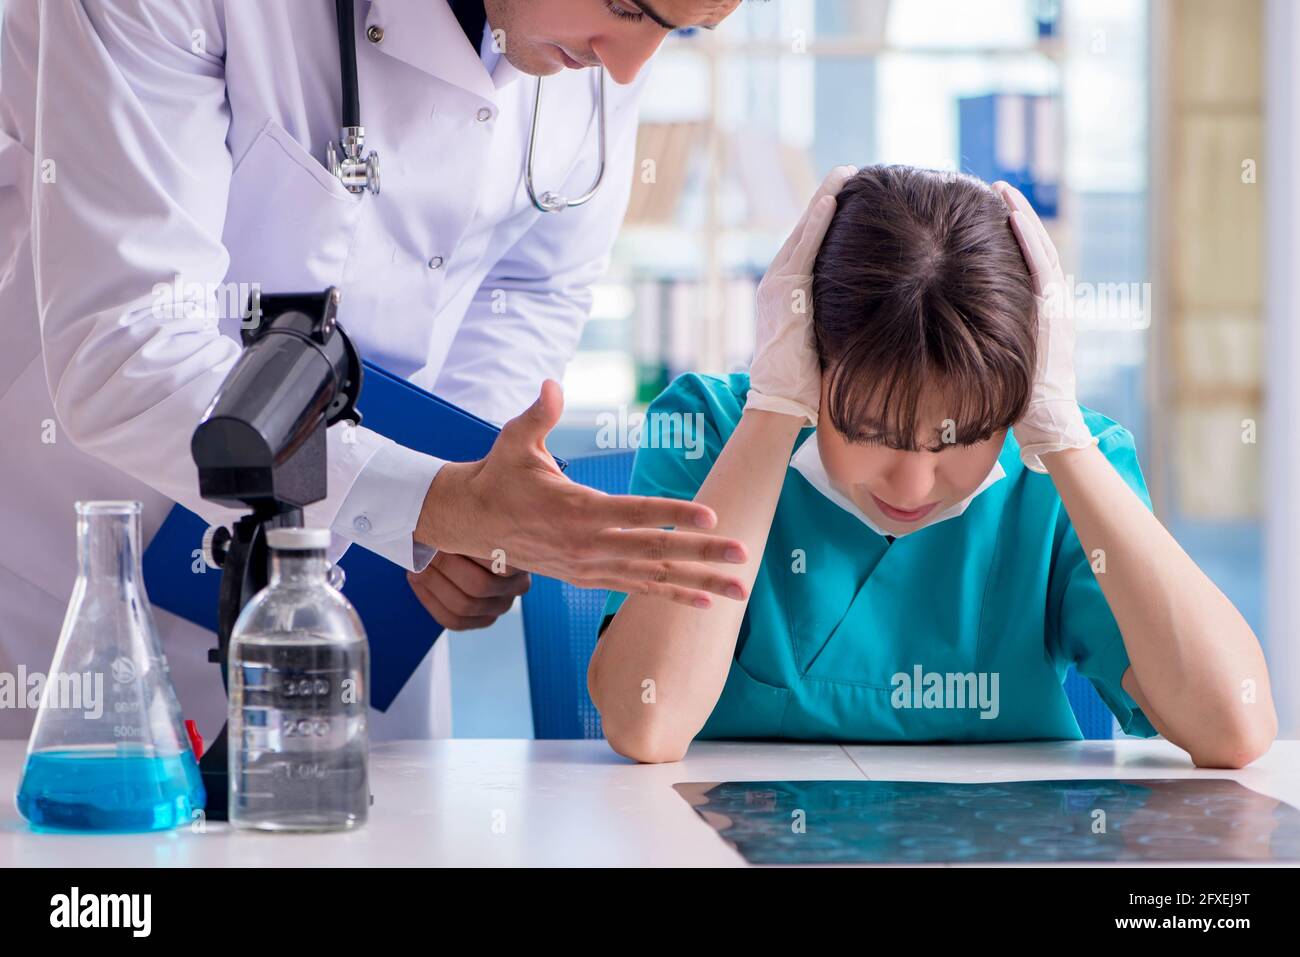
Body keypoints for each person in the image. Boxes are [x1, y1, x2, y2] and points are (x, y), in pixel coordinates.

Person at [0, 0, 748, 740]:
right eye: (625, 7)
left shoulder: (596, 43)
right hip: (92, 587)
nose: (628, 67)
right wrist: (431, 502)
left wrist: (463, 493)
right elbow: (128, 343)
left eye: (678, 29)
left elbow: (531, 284)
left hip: (364, 603)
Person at [589, 165, 1277, 768]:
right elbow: (646, 721)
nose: (913, 486)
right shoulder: (708, 433)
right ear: (808, 356)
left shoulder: (1063, 473)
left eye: (964, 435)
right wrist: (773, 410)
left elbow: (1235, 725)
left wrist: (1063, 438)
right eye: (869, 430)